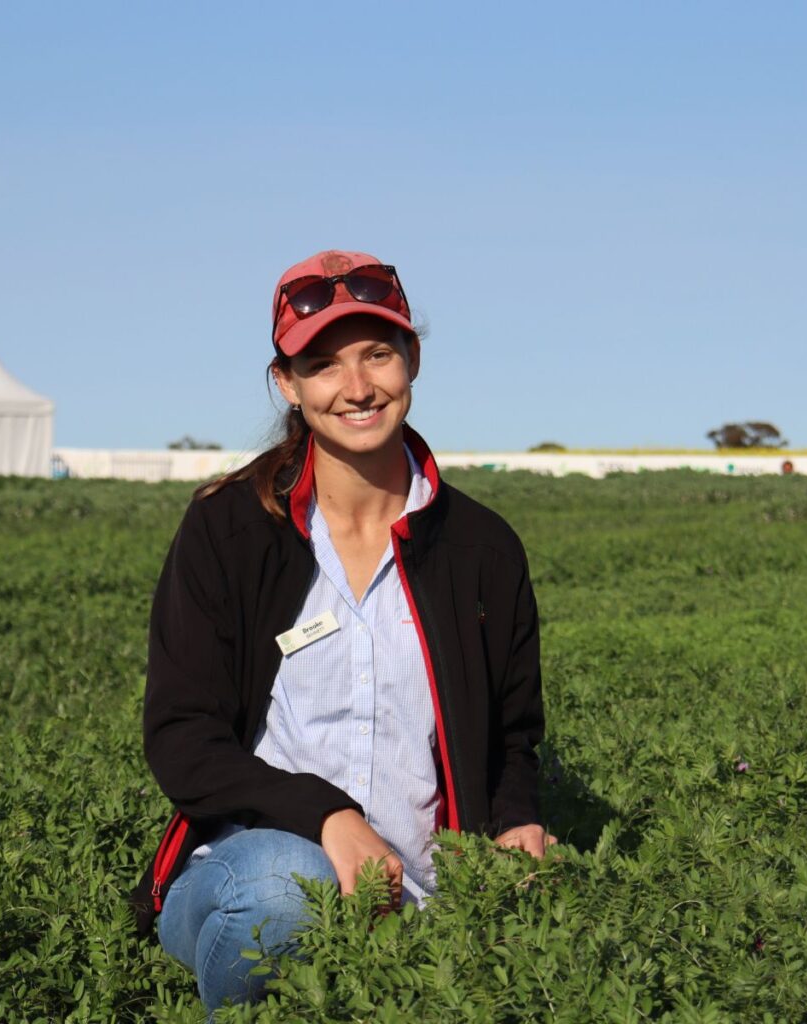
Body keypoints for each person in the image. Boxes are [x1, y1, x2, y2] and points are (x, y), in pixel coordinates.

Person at [132, 249, 553, 1013]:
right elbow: (181, 737)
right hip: (246, 867)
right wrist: (326, 816)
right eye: (322, 365)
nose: (356, 388)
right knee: (289, 894)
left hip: (424, 890)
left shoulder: (483, 549)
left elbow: (513, 734)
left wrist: (517, 820)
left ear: (412, 359)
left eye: (377, 355)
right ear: (287, 385)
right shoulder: (230, 532)